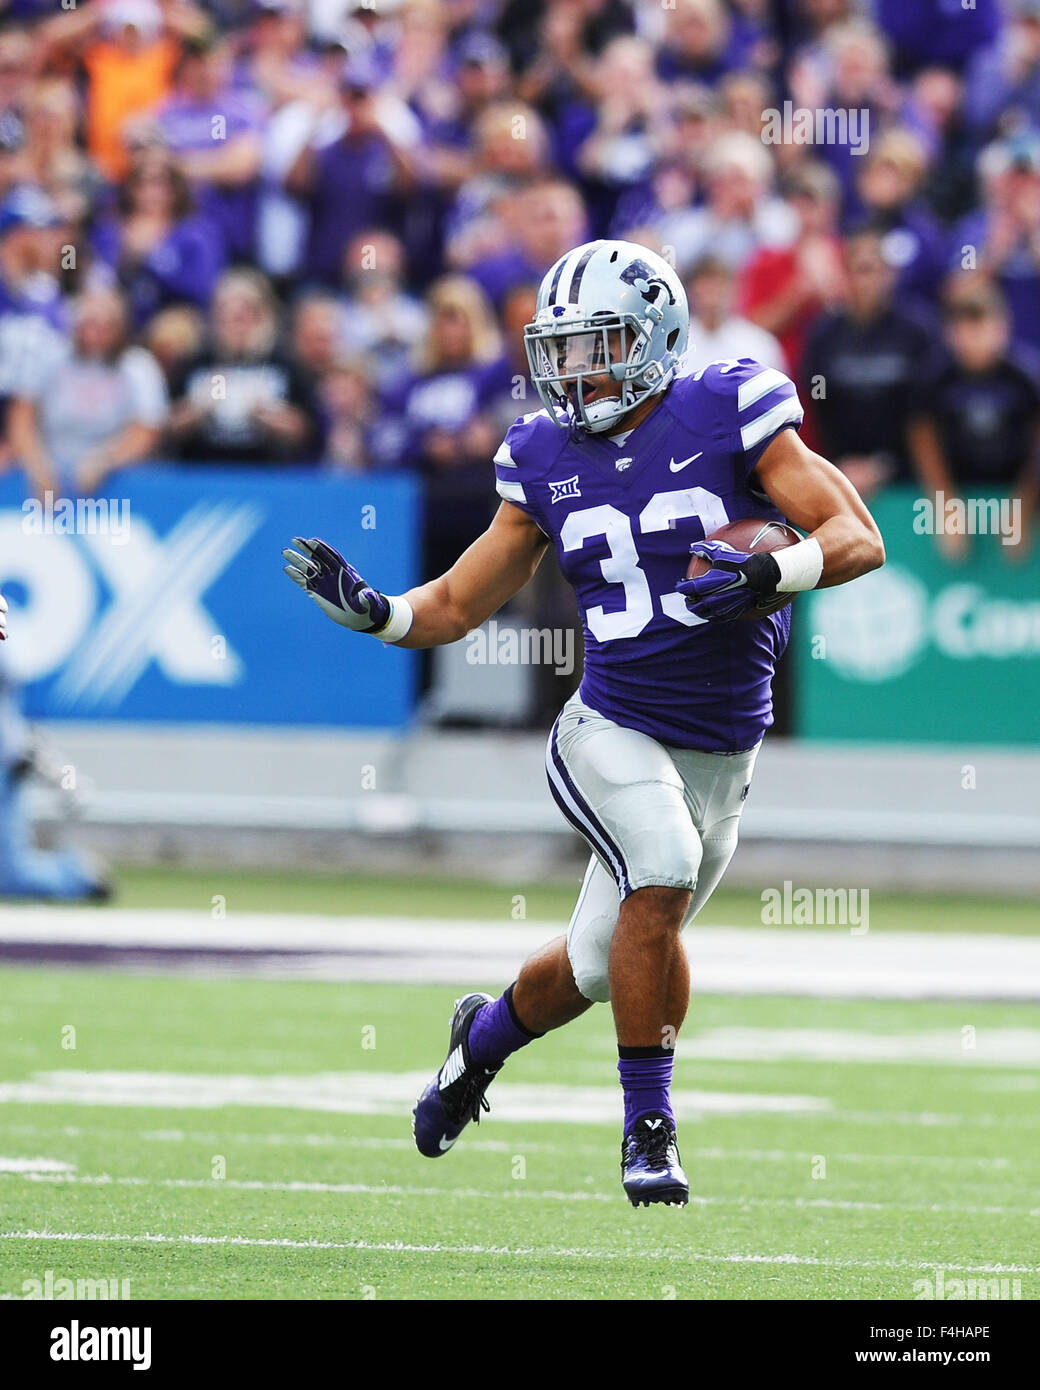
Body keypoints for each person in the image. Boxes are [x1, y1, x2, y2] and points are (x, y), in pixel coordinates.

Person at [283, 239, 884, 1206]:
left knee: (603, 964)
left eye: (596, 345)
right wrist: (381, 614)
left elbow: (858, 536)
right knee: (661, 870)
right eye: (559, 349)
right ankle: (649, 1129)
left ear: (654, 337)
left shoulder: (730, 405)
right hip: (609, 727)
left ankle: (477, 1044)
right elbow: (454, 603)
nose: (573, 371)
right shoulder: (543, 453)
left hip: (725, 750)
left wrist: (773, 570)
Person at [908, 275, 1040, 561]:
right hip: (961, 486)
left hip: (1012, 487)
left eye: (981, 328)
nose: (974, 340)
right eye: (964, 330)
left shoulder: (1026, 378)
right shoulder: (936, 379)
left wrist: (1024, 506)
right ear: (951, 334)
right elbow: (922, 437)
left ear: (1003, 328)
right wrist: (945, 505)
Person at [8, 285, 167, 496]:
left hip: (116, 478)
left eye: (106, 325)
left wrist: (105, 461)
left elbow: (148, 428)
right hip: (50, 465)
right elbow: (21, 417)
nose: (96, 333)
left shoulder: (138, 366)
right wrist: (37, 466)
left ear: (121, 327)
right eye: (90, 323)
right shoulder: (50, 356)